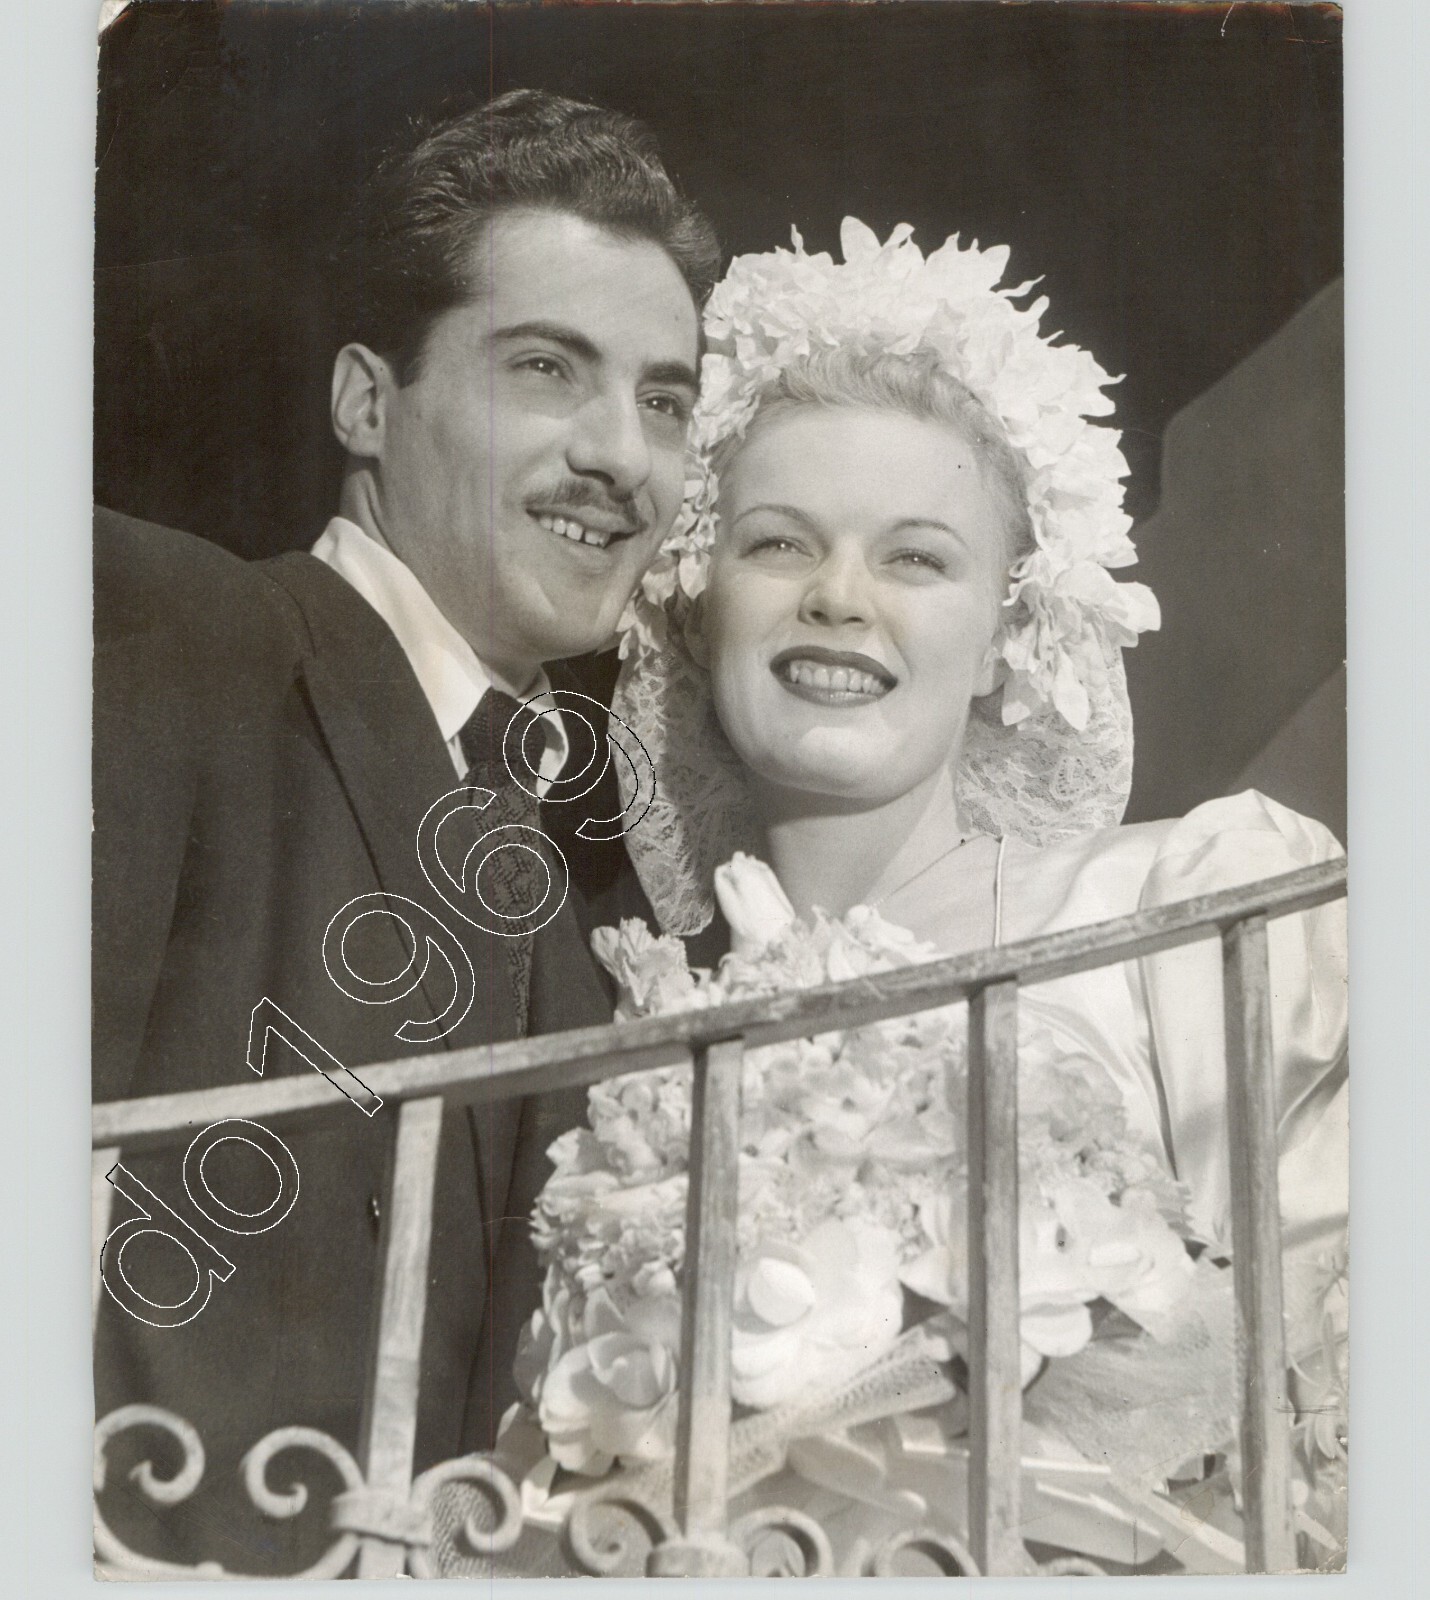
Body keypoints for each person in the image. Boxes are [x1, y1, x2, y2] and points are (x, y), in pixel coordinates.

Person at [506, 219, 1347, 1574]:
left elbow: (1348, 1423)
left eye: (914, 557)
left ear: (1008, 635)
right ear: (692, 602)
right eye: (780, 545)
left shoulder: (1194, 913)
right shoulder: (638, 1039)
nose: (838, 600)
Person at [92, 89, 718, 1572]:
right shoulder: (167, 631)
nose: (620, 454)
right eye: (547, 370)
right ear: (367, 402)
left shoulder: (573, 884)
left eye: (667, 400)